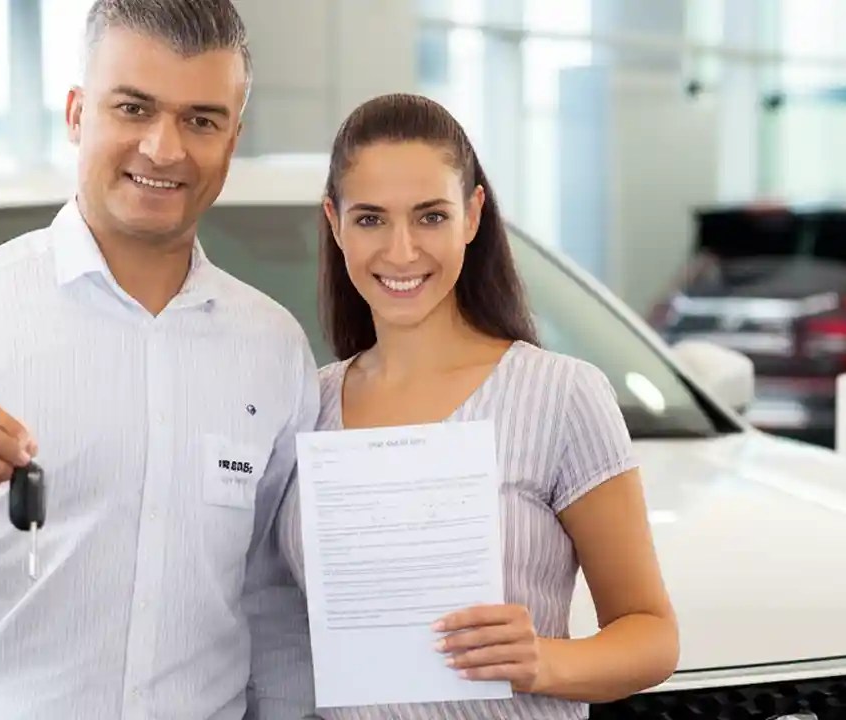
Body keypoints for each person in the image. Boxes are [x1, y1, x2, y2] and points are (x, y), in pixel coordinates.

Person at [0, 2, 318, 718]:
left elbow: (270, 605)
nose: (164, 149)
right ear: (77, 115)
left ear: (233, 139)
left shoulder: (275, 349)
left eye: (202, 120)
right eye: (134, 108)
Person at [278, 93, 680, 719]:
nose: (403, 251)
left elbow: (651, 633)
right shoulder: (305, 405)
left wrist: (546, 660)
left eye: (431, 216)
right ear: (334, 221)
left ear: (472, 215)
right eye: (370, 219)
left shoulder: (560, 395)